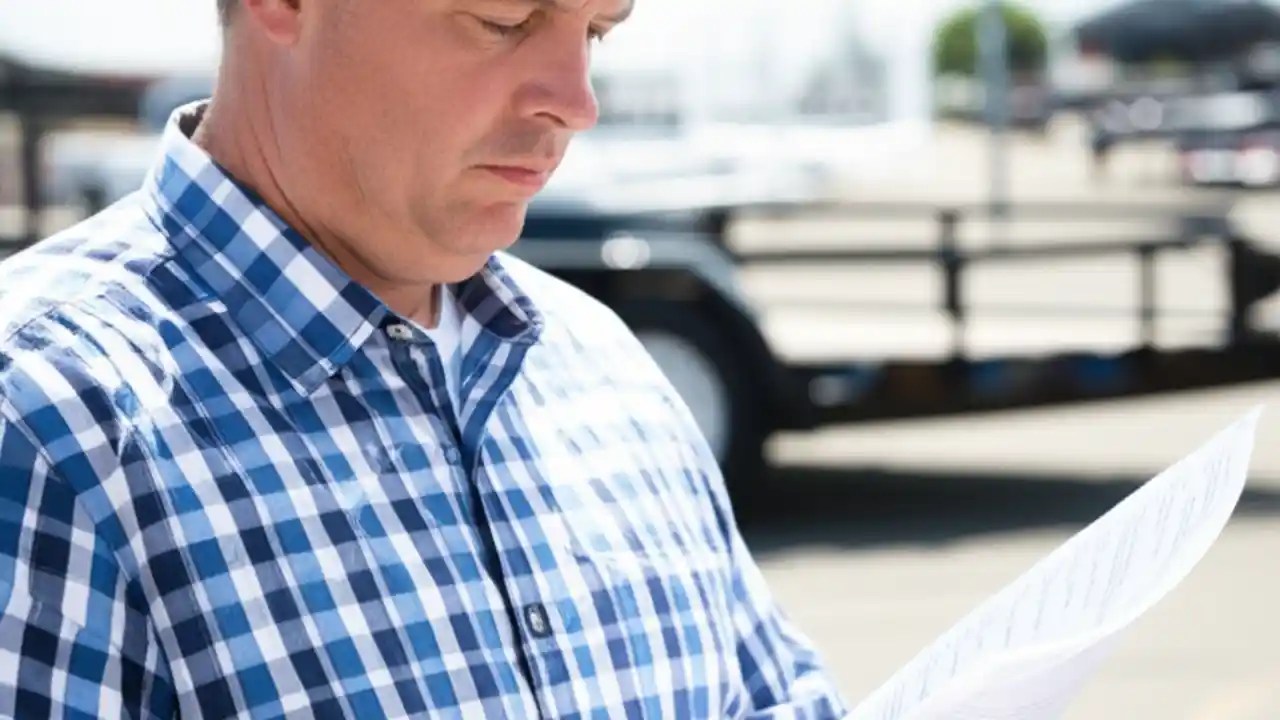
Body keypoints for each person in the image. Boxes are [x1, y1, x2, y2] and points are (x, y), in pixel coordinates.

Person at [0, 0, 848, 717]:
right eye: (503, 19)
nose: (577, 101)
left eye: (594, 32)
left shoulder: (611, 372)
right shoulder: (44, 424)